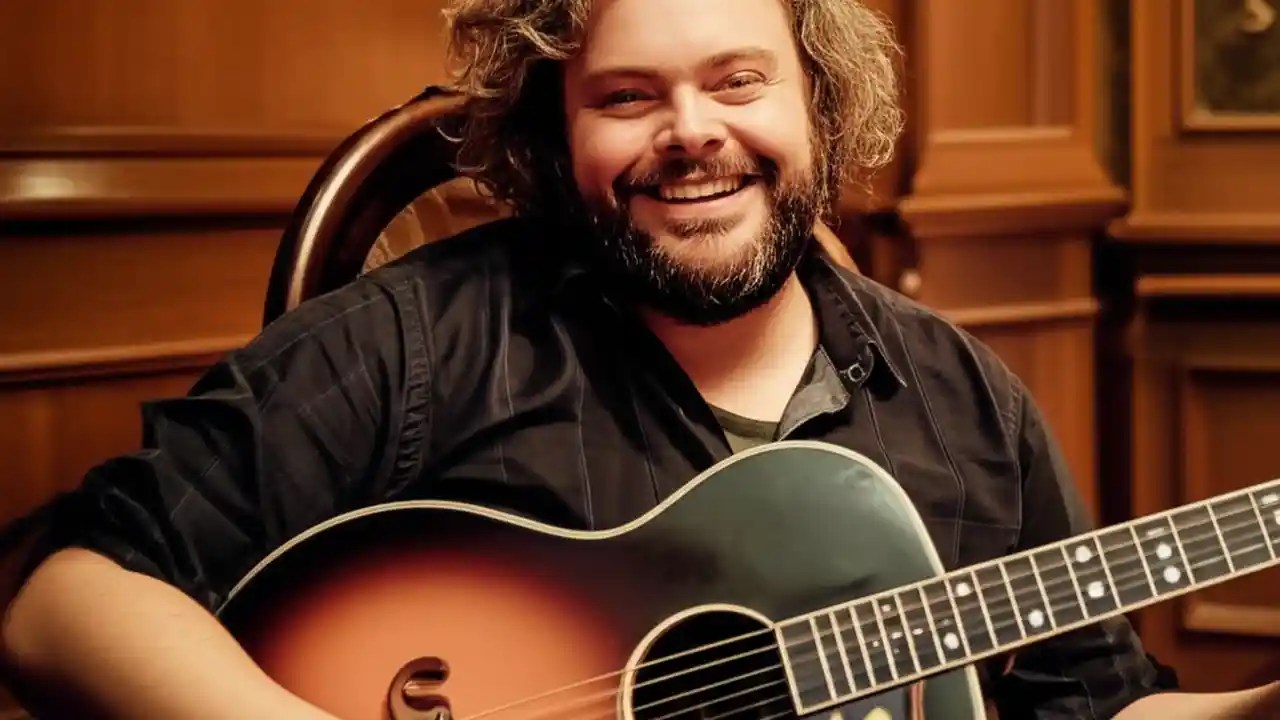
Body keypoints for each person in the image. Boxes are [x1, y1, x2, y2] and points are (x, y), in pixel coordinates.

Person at [2, 0, 1279, 717]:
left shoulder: (956, 401)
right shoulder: (421, 343)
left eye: (737, 82)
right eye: (625, 98)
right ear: (558, 143)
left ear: (817, 111)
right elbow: (61, 592)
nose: (691, 135)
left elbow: (1091, 709)